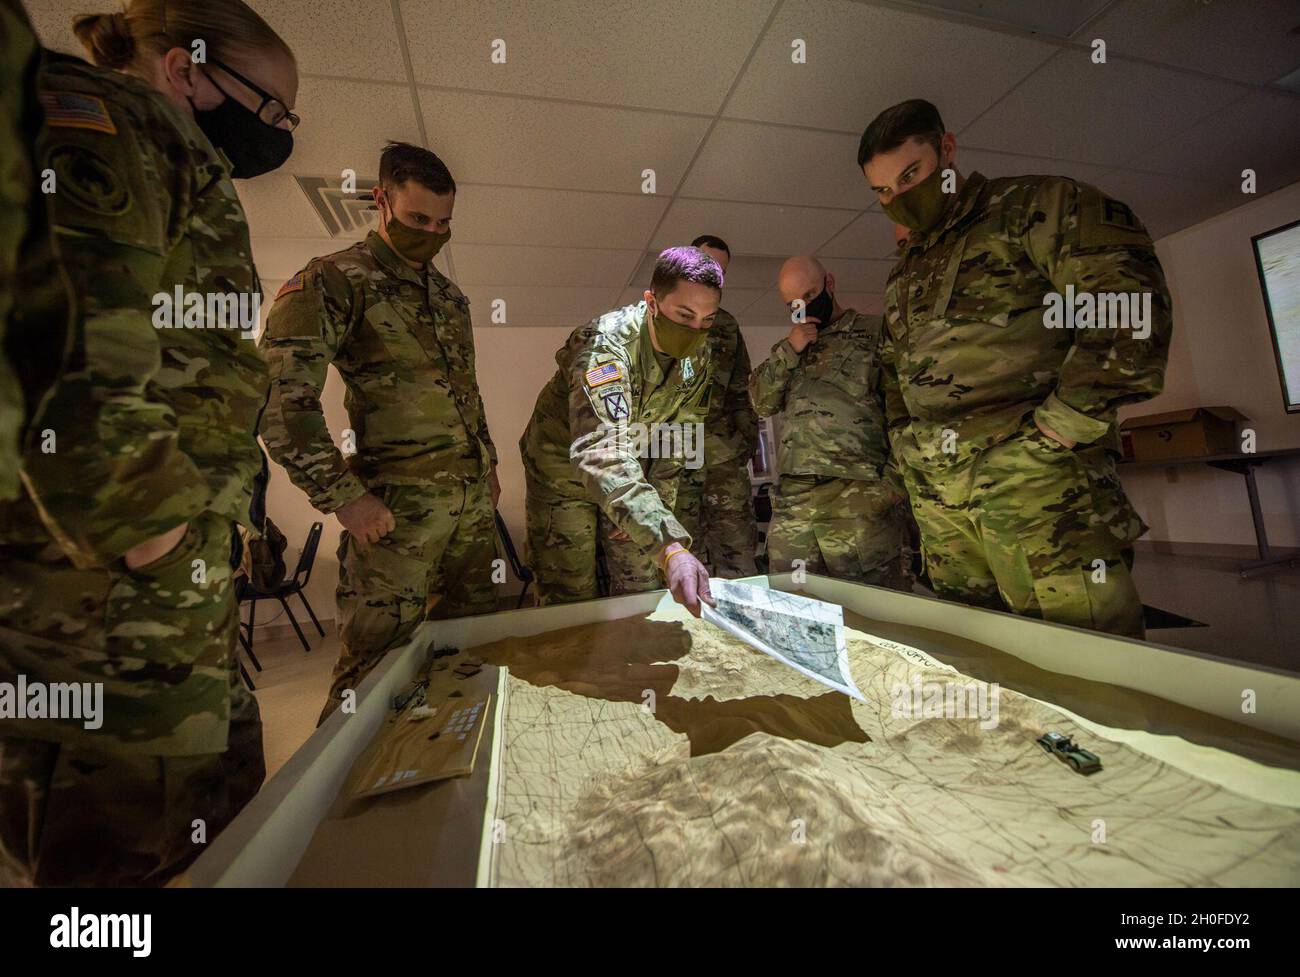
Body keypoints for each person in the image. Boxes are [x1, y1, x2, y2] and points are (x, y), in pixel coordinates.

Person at [0, 0, 298, 886]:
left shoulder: (177, 155)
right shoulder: (111, 123)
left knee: (203, 836)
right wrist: (155, 534)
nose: (281, 133)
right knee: (118, 860)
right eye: (274, 109)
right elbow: (63, 324)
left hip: (156, 590)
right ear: (183, 69)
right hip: (110, 607)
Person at [859, 98, 1171, 638]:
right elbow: (893, 371)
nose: (900, 198)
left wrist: (1061, 430)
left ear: (947, 149)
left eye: (911, 175)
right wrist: (905, 441)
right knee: (981, 660)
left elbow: (1127, 307)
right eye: (884, 191)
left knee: (1087, 667)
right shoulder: (908, 269)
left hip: (1036, 489)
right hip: (942, 504)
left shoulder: (1036, 206)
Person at [260, 141, 500, 722]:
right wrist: (344, 498)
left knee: (467, 649)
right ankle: (336, 806)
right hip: (395, 515)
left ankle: (441, 771)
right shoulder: (335, 282)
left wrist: (487, 466)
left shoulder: (449, 298)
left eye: (443, 224)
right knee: (373, 672)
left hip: (468, 512)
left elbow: (466, 392)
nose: (432, 233)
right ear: (381, 201)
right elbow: (278, 401)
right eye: (419, 219)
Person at [520, 246, 719, 613]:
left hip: (629, 469)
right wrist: (668, 543)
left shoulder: (699, 357)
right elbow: (600, 451)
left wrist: (650, 511)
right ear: (652, 301)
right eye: (685, 314)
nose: (695, 330)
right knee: (569, 589)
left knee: (642, 581)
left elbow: (679, 438)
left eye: (707, 320)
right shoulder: (605, 346)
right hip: (562, 471)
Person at [750, 256, 911, 589]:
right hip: (795, 500)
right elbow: (760, 402)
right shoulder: (792, 347)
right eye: (794, 303)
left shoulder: (876, 332)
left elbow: (906, 413)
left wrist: (891, 489)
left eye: (810, 296)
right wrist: (791, 349)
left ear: (830, 284)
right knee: (792, 603)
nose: (804, 307)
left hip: (857, 496)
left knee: (872, 608)